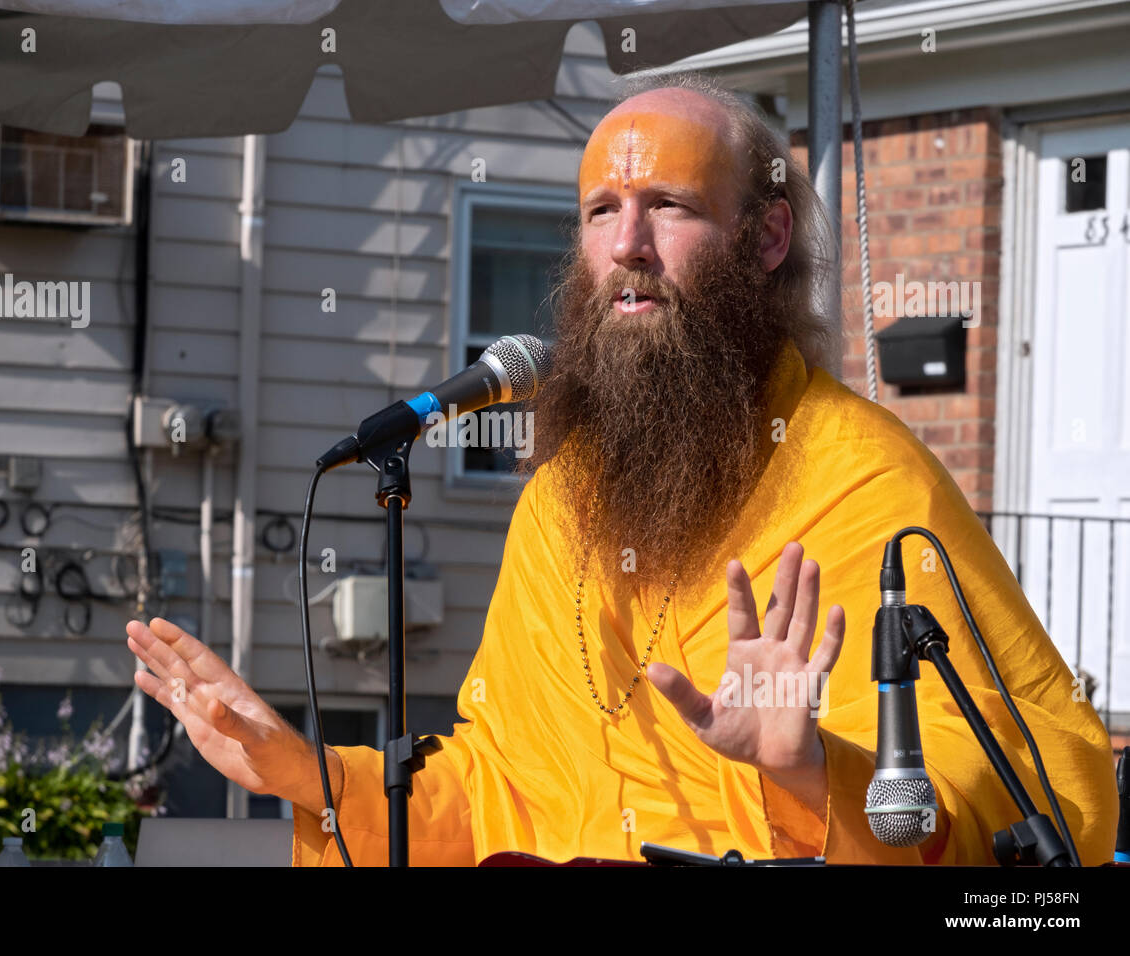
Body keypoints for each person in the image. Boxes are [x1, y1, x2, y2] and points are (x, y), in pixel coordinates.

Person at [126, 71, 1118, 866]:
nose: (627, 245)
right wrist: (310, 774)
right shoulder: (561, 495)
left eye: (670, 204)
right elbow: (498, 782)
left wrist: (812, 768)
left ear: (765, 236)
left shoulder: (864, 478)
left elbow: (1021, 784)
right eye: (601, 209)